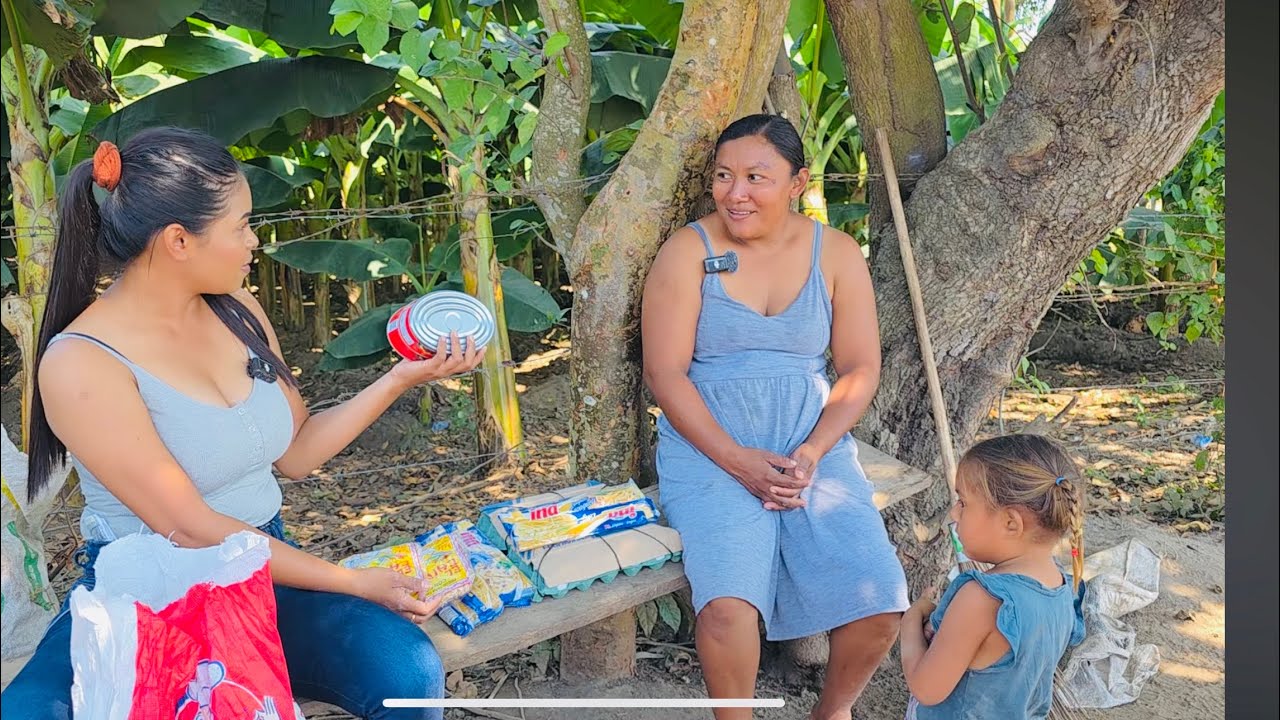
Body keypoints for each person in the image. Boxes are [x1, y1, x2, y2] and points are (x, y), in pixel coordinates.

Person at [1, 127, 485, 720]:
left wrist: (400, 378)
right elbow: (189, 527)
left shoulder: (237, 310)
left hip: (262, 569)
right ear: (179, 240)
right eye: (242, 226)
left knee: (404, 669)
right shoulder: (82, 362)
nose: (255, 241)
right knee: (30, 711)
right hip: (147, 589)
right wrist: (354, 581)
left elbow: (297, 452)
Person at [641, 114, 908, 720]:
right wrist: (737, 461)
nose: (735, 193)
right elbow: (665, 374)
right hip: (709, 447)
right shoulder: (688, 251)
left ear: (797, 182)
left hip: (809, 446)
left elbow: (860, 367)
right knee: (727, 608)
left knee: (880, 603)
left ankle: (831, 712)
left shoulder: (835, 253)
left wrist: (813, 451)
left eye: (756, 177)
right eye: (723, 176)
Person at [899, 434, 1087, 720]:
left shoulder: (981, 598)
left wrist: (911, 619)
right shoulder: (1061, 587)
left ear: (1011, 523)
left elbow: (926, 688)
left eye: (963, 502)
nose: (954, 513)